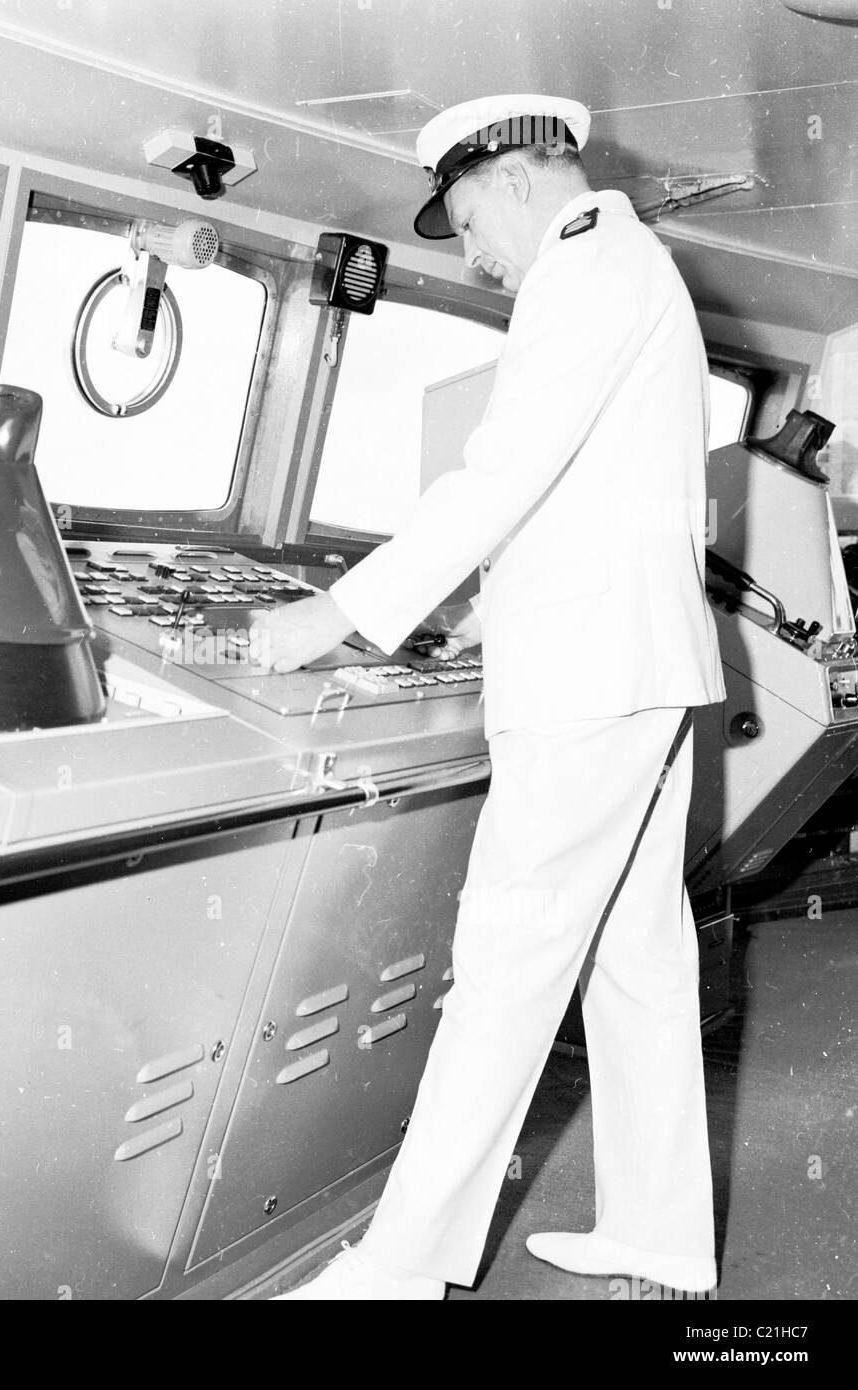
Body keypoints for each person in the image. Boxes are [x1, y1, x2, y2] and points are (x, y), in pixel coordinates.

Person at [259, 94, 726, 1300]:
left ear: (518, 177)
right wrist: (476, 607)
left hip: (588, 680)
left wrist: (340, 614)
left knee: (503, 974)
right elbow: (588, 493)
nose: (471, 252)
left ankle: (401, 1272)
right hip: (635, 666)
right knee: (634, 959)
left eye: (467, 219)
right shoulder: (631, 262)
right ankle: (660, 1234)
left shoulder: (584, 270)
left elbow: (502, 466)